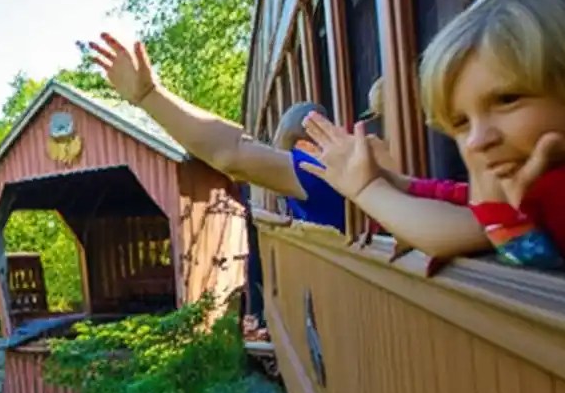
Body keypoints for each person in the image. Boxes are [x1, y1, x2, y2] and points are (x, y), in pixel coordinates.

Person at [88, 35, 488, 258]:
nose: (365, 132)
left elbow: (234, 155)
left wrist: (149, 98)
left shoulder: (373, 188)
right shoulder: (345, 183)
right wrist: (148, 97)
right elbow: (233, 154)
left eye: (376, 124)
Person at [299, 0, 565, 269]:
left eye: (507, 100)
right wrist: (395, 181)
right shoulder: (539, 180)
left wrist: (366, 189)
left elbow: (461, 232)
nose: (478, 140)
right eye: (461, 123)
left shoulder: (559, 190)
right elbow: (459, 197)